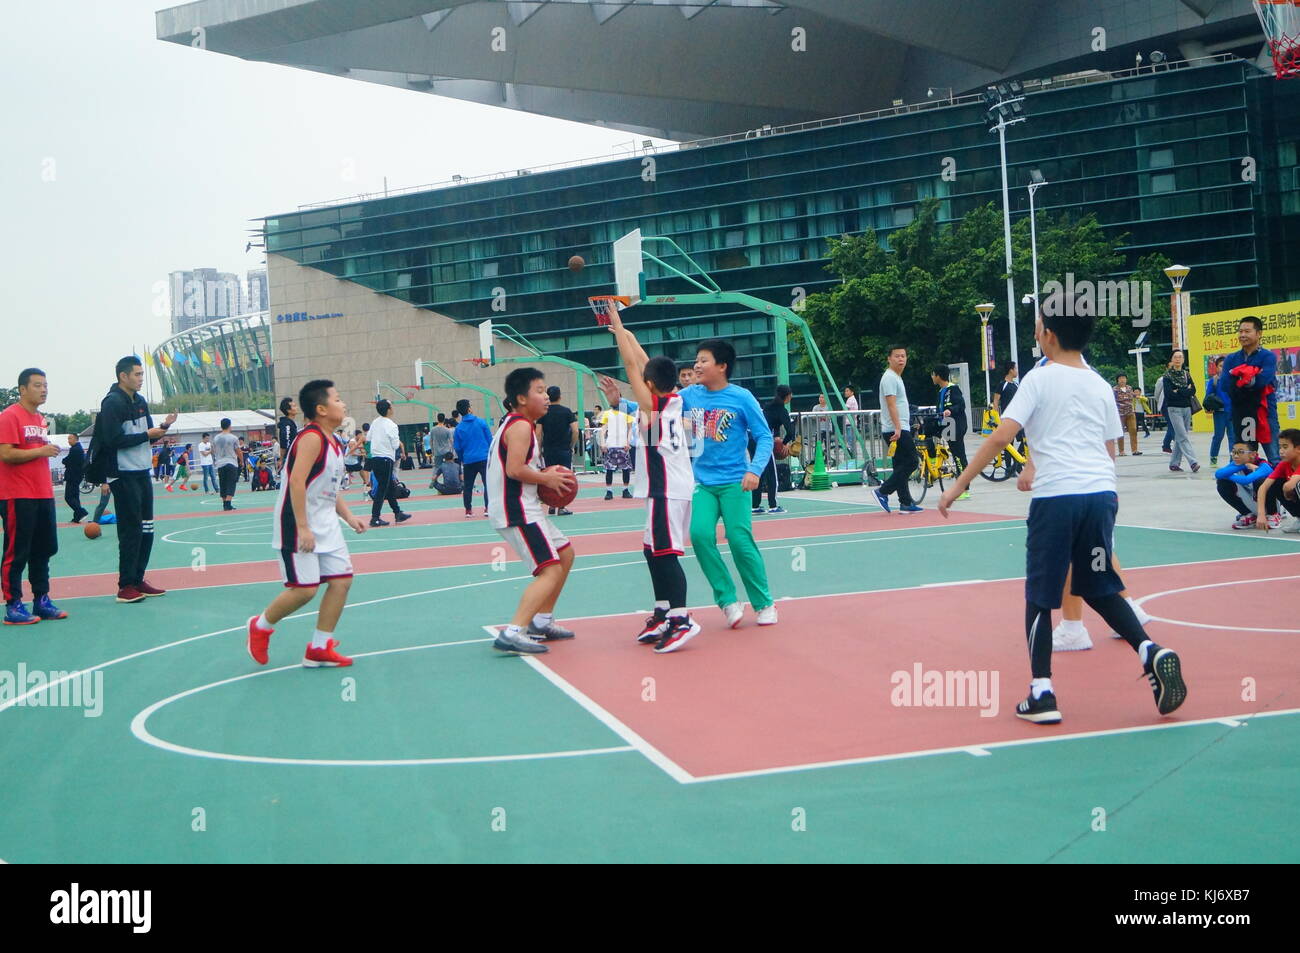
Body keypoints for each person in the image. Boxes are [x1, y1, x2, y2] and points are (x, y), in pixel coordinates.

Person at [938, 305, 1187, 724]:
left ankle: (1042, 692)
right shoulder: (1099, 384)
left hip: (1057, 500)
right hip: (1099, 497)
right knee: (1100, 587)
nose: (1036, 335)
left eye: (1038, 330)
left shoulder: (1038, 378)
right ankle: (1150, 650)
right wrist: (1108, 500)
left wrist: (960, 483)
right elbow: (1109, 448)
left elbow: (1002, 435)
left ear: (1050, 335)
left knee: (1039, 595)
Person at [611, 338, 777, 629]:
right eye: (697, 360)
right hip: (700, 481)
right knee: (700, 536)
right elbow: (654, 381)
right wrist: (625, 341)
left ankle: (763, 602)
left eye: (704, 360)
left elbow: (763, 436)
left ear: (722, 366)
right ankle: (727, 600)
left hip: (736, 481)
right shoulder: (690, 395)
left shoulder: (741, 397)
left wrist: (755, 470)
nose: (697, 365)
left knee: (739, 541)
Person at [246, 380, 368, 668]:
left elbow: (329, 488)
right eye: (338, 400)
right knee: (305, 589)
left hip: (327, 523)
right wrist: (303, 526)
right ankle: (260, 626)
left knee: (341, 581)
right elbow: (297, 482)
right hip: (297, 521)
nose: (344, 404)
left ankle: (319, 646)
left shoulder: (334, 442)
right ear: (321, 409)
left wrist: (349, 517)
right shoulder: (311, 438)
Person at [605, 305, 701, 652]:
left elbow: (632, 365)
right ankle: (663, 610)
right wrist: (623, 332)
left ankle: (681, 619)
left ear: (649, 385)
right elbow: (640, 361)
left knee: (664, 553)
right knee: (652, 550)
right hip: (664, 490)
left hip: (668, 492)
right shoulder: (670, 399)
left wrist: (614, 318)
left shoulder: (655, 408)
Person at [486, 368, 578, 655]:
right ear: (521, 398)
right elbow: (515, 469)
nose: (547, 396)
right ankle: (514, 631)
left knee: (565, 554)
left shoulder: (519, 423)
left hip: (525, 507)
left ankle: (541, 621)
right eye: (540, 390)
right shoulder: (521, 426)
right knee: (549, 570)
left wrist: (542, 479)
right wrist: (547, 479)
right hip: (517, 510)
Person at [85, 356, 176, 603]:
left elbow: (145, 438)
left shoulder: (141, 401)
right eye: (136, 374)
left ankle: (138, 579)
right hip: (121, 473)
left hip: (141, 471)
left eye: (141, 375)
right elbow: (113, 440)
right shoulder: (112, 403)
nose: (140, 379)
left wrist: (162, 428)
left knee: (147, 527)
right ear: (122, 376)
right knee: (130, 529)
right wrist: (146, 434)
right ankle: (125, 585)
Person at [0, 368, 67, 624]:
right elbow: (5, 454)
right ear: (22, 389)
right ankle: (13, 604)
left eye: (46, 385)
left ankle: (42, 599)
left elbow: (35, 451)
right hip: (17, 495)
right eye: (38, 385)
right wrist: (40, 452)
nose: (44, 389)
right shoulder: (9, 417)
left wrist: (44, 450)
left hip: (42, 493)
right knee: (17, 552)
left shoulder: (40, 419)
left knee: (44, 549)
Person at [1220, 316, 1280, 464]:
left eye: (1247, 331)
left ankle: (1277, 487)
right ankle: (1242, 487)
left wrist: (1238, 378)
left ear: (1259, 333)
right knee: (1240, 460)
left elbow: (1262, 381)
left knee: (1275, 458)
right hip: (1240, 415)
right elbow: (1225, 385)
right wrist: (1249, 376)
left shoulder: (1268, 357)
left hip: (1265, 414)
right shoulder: (1231, 359)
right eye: (1240, 331)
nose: (1242, 335)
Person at [874, 346, 922, 513]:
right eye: (897, 356)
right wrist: (898, 427)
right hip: (896, 428)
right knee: (912, 461)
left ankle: (905, 502)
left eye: (903, 356)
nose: (901, 359)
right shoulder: (889, 378)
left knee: (901, 464)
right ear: (889, 358)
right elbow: (891, 404)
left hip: (900, 426)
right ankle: (883, 491)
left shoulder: (896, 377)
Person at [367, 400, 412, 527]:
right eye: (391, 405)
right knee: (383, 488)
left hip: (375, 458)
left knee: (389, 487)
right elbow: (395, 444)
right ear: (388, 409)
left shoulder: (375, 422)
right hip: (386, 459)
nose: (393, 407)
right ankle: (375, 517)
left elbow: (369, 438)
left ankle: (398, 513)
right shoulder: (391, 425)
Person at [536, 385, 579, 516]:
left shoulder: (542, 412)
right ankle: (561, 506)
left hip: (549, 449)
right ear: (560, 396)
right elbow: (575, 430)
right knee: (564, 477)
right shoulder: (567, 412)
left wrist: (539, 449)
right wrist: (571, 445)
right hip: (564, 449)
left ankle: (551, 504)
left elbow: (538, 433)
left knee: (549, 477)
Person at [1215, 441, 1276, 529]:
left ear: (1253, 454)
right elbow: (1218, 474)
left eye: (1241, 452)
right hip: (1253, 499)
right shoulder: (1239, 463)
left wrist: (1228, 475)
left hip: (1268, 503)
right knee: (1222, 483)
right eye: (1234, 452)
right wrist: (1243, 466)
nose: (1236, 456)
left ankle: (1273, 514)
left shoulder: (1264, 466)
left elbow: (1246, 480)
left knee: (1260, 481)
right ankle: (1248, 514)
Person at [932, 365, 971, 496]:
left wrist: (950, 410)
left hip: (955, 425)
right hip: (946, 426)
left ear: (938, 376)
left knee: (959, 456)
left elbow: (961, 405)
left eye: (933, 374)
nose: (932, 377)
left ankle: (965, 488)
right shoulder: (940, 392)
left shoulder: (953, 389)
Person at [753, 384, 793, 514]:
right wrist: (785, 444)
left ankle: (755, 505)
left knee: (760, 472)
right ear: (788, 396)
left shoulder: (767, 407)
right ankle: (773, 506)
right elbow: (791, 432)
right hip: (764, 442)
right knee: (772, 474)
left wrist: (775, 436)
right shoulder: (781, 410)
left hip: (752, 439)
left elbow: (769, 423)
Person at [1159, 350, 1200, 474]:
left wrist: (1179, 391)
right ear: (1172, 359)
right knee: (1182, 435)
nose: (1178, 359)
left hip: (1187, 408)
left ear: (1183, 360)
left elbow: (1193, 390)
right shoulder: (1167, 376)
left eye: (1180, 357)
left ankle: (1174, 463)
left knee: (1180, 436)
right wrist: (1184, 390)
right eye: (1175, 357)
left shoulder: (1186, 374)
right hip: (1174, 409)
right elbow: (1169, 394)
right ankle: (1193, 462)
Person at [453, 398, 493, 519]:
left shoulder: (459, 428)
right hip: (484, 457)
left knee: (468, 486)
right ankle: (487, 508)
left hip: (468, 460)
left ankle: (468, 510)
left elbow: (457, 447)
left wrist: (462, 458)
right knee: (488, 484)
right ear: (469, 408)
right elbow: (490, 440)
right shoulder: (481, 422)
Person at [1254, 429, 1300, 533]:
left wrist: (1286, 490)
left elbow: (1290, 486)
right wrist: (1261, 515)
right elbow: (1263, 487)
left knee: (1297, 485)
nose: (1281, 451)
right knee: (1273, 483)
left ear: (1298, 449)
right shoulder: (1284, 464)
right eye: (1280, 447)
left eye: (1285, 447)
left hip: (1294, 485)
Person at [598, 402, 635, 500]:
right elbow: (603, 429)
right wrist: (603, 443)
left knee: (626, 469)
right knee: (609, 469)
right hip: (610, 444)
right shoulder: (607, 413)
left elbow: (630, 428)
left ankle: (625, 490)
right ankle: (609, 491)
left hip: (623, 445)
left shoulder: (626, 413)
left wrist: (628, 442)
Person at [1204, 357, 1230, 465]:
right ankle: (1213, 457)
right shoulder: (1213, 381)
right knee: (1218, 436)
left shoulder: (1233, 380)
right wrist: (1208, 407)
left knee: (1232, 437)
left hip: (1232, 412)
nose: (1223, 368)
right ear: (1217, 367)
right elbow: (1208, 396)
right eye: (1220, 366)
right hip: (1219, 412)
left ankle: (1233, 460)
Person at [213, 419, 242, 511]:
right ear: (230, 426)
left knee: (223, 483)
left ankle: (224, 503)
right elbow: (238, 450)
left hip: (220, 463)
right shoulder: (233, 438)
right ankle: (228, 503)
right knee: (231, 482)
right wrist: (241, 460)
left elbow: (214, 451)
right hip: (231, 462)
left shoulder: (216, 438)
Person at [1112, 374, 1142, 456]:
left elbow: (1132, 395)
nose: (1122, 380)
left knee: (1133, 430)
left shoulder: (1129, 388)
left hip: (1130, 412)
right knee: (1120, 432)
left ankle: (1134, 450)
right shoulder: (1115, 389)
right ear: (1117, 380)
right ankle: (1121, 451)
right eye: (1120, 378)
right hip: (1120, 413)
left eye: (1124, 378)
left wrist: (1137, 396)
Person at [63, 434, 89, 522]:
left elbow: (67, 460)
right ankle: (77, 517)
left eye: (70, 438)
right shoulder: (79, 448)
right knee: (75, 496)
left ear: (76, 439)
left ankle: (81, 512)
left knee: (68, 497)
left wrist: (65, 461)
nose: (68, 441)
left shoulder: (75, 449)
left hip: (72, 476)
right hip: (77, 476)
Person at [276, 397, 299, 474]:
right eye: (294, 406)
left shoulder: (291, 423)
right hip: (289, 458)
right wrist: (282, 459)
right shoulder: (286, 424)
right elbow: (284, 441)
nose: (297, 407)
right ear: (288, 410)